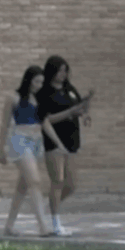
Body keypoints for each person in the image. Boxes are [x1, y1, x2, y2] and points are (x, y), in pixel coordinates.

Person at [0, 66, 66, 237]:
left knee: (23, 187)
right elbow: (5, 125)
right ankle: (43, 226)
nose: (39, 85)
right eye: (36, 81)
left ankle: (9, 227)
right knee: (35, 181)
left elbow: (45, 123)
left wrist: (58, 143)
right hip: (19, 141)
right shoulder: (13, 98)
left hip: (36, 143)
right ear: (28, 80)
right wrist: (0, 150)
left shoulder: (40, 100)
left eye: (42, 82)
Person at [35, 56, 92, 233]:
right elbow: (46, 119)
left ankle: (51, 205)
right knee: (57, 181)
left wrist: (84, 110)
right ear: (51, 71)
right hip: (53, 141)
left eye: (65, 70)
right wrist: (70, 112)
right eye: (60, 70)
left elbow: (77, 107)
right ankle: (55, 221)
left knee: (72, 184)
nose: (63, 74)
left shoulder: (70, 89)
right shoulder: (44, 93)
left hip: (72, 140)